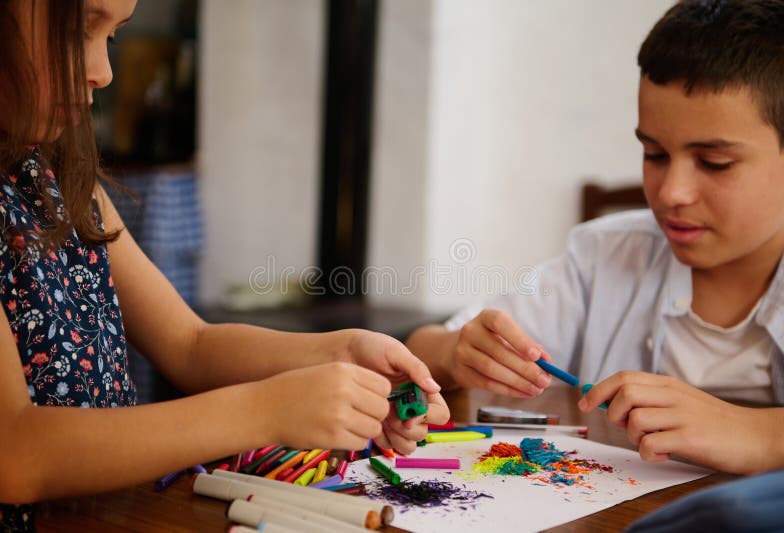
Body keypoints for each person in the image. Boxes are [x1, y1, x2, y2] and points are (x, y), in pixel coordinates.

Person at [0, 0, 448, 530]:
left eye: (111, 38)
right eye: (78, 33)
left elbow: (190, 344)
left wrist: (343, 351)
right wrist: (265, 409)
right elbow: (17, 453)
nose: (103, 71)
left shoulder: (64, 184)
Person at [408, 0, 784, 476]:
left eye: (715, 162)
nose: (671, 193)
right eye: (654, 153)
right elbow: (426, 347)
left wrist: (756, 433)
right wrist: (455, 354)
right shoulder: (604, 257)